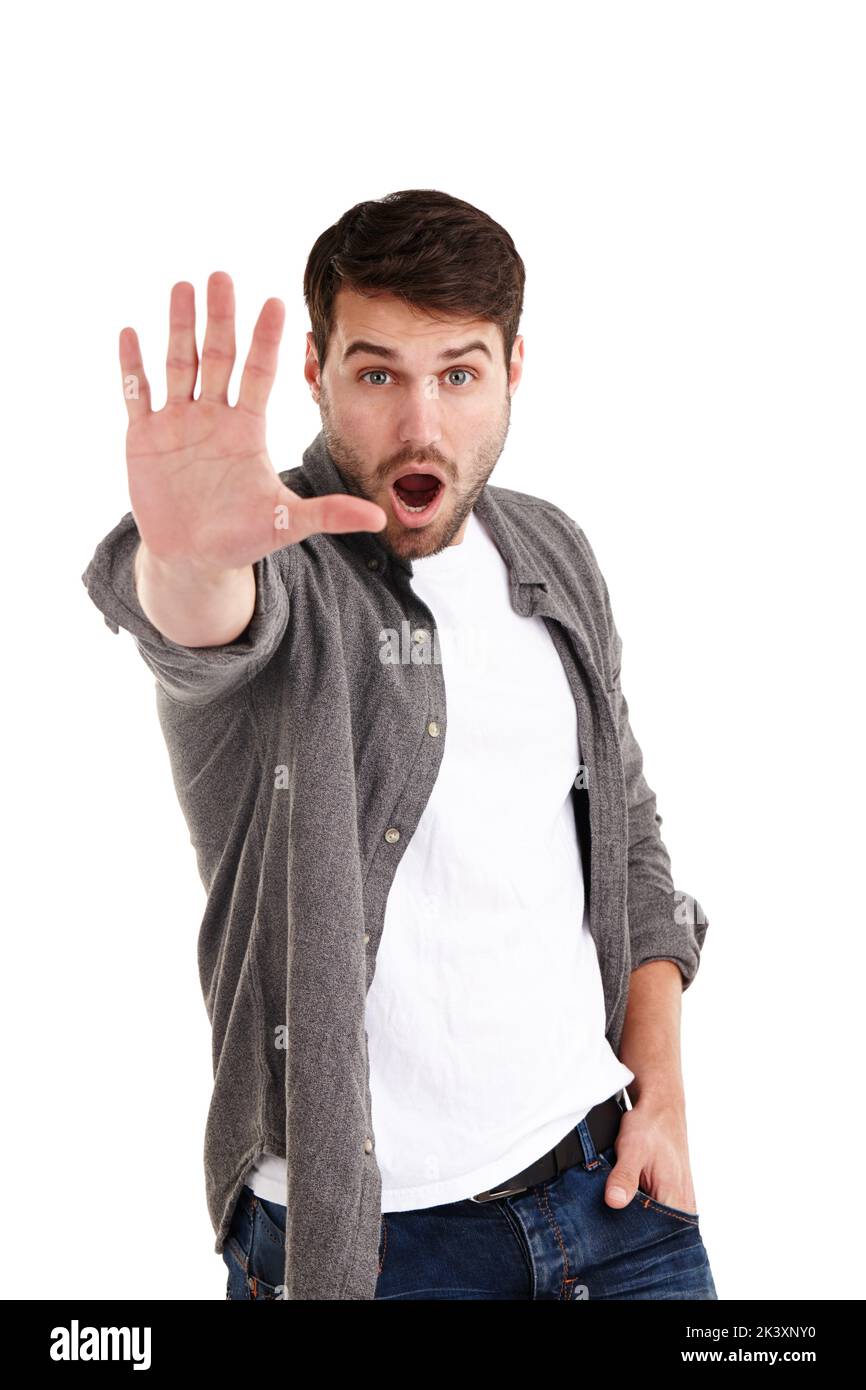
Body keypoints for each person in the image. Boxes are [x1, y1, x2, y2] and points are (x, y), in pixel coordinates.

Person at [81, 188, 716, 1300]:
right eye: (376, 374)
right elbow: (200, 622)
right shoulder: (278, 563)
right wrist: (184, 557)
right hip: (373, 1254)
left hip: (604, 1194)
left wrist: (656, 1088)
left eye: (457, 373)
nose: (421, 424)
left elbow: (628, 840)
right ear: (318, 367)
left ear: (515, 366)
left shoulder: (550, 549)